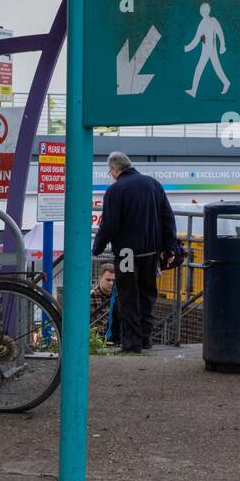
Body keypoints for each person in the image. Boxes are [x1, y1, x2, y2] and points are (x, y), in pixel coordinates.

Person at [91, 151, 177, 354]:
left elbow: (109, 225)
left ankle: (132, 342)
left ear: (114, 169)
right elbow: (167, 217)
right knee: (148, 294)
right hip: (151, 252)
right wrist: (169, 246)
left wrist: (97, 248)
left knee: (128, 296)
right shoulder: (153, 184)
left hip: (127, 254)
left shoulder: (115, 190)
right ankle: (146, 339)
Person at [89, 263, 120, 344]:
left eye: (114, 280)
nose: (111, 283)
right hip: (99, 339)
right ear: (100, 278)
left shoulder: (118, 296)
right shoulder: (91, 297)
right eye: (108, 280)